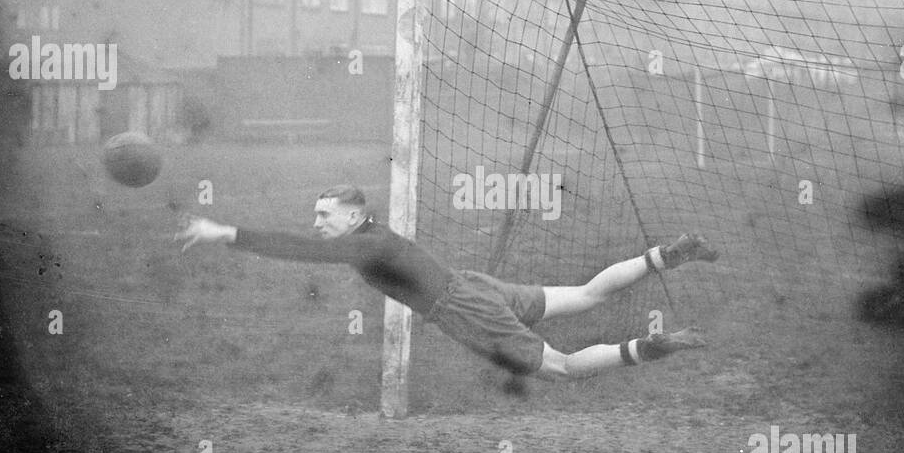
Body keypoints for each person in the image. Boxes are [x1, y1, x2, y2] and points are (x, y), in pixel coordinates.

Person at [175, 184, 715, 379]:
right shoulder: (372, 235)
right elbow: (308, 243)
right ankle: (665, 256)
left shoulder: (365, 243)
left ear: (355, 214)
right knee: (586, 294)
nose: (317, 224)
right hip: (473, 287)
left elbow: (294, 250)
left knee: (564, 369)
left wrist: (225, 231)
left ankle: (652, 345)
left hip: (467, 310)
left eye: (325, 215)